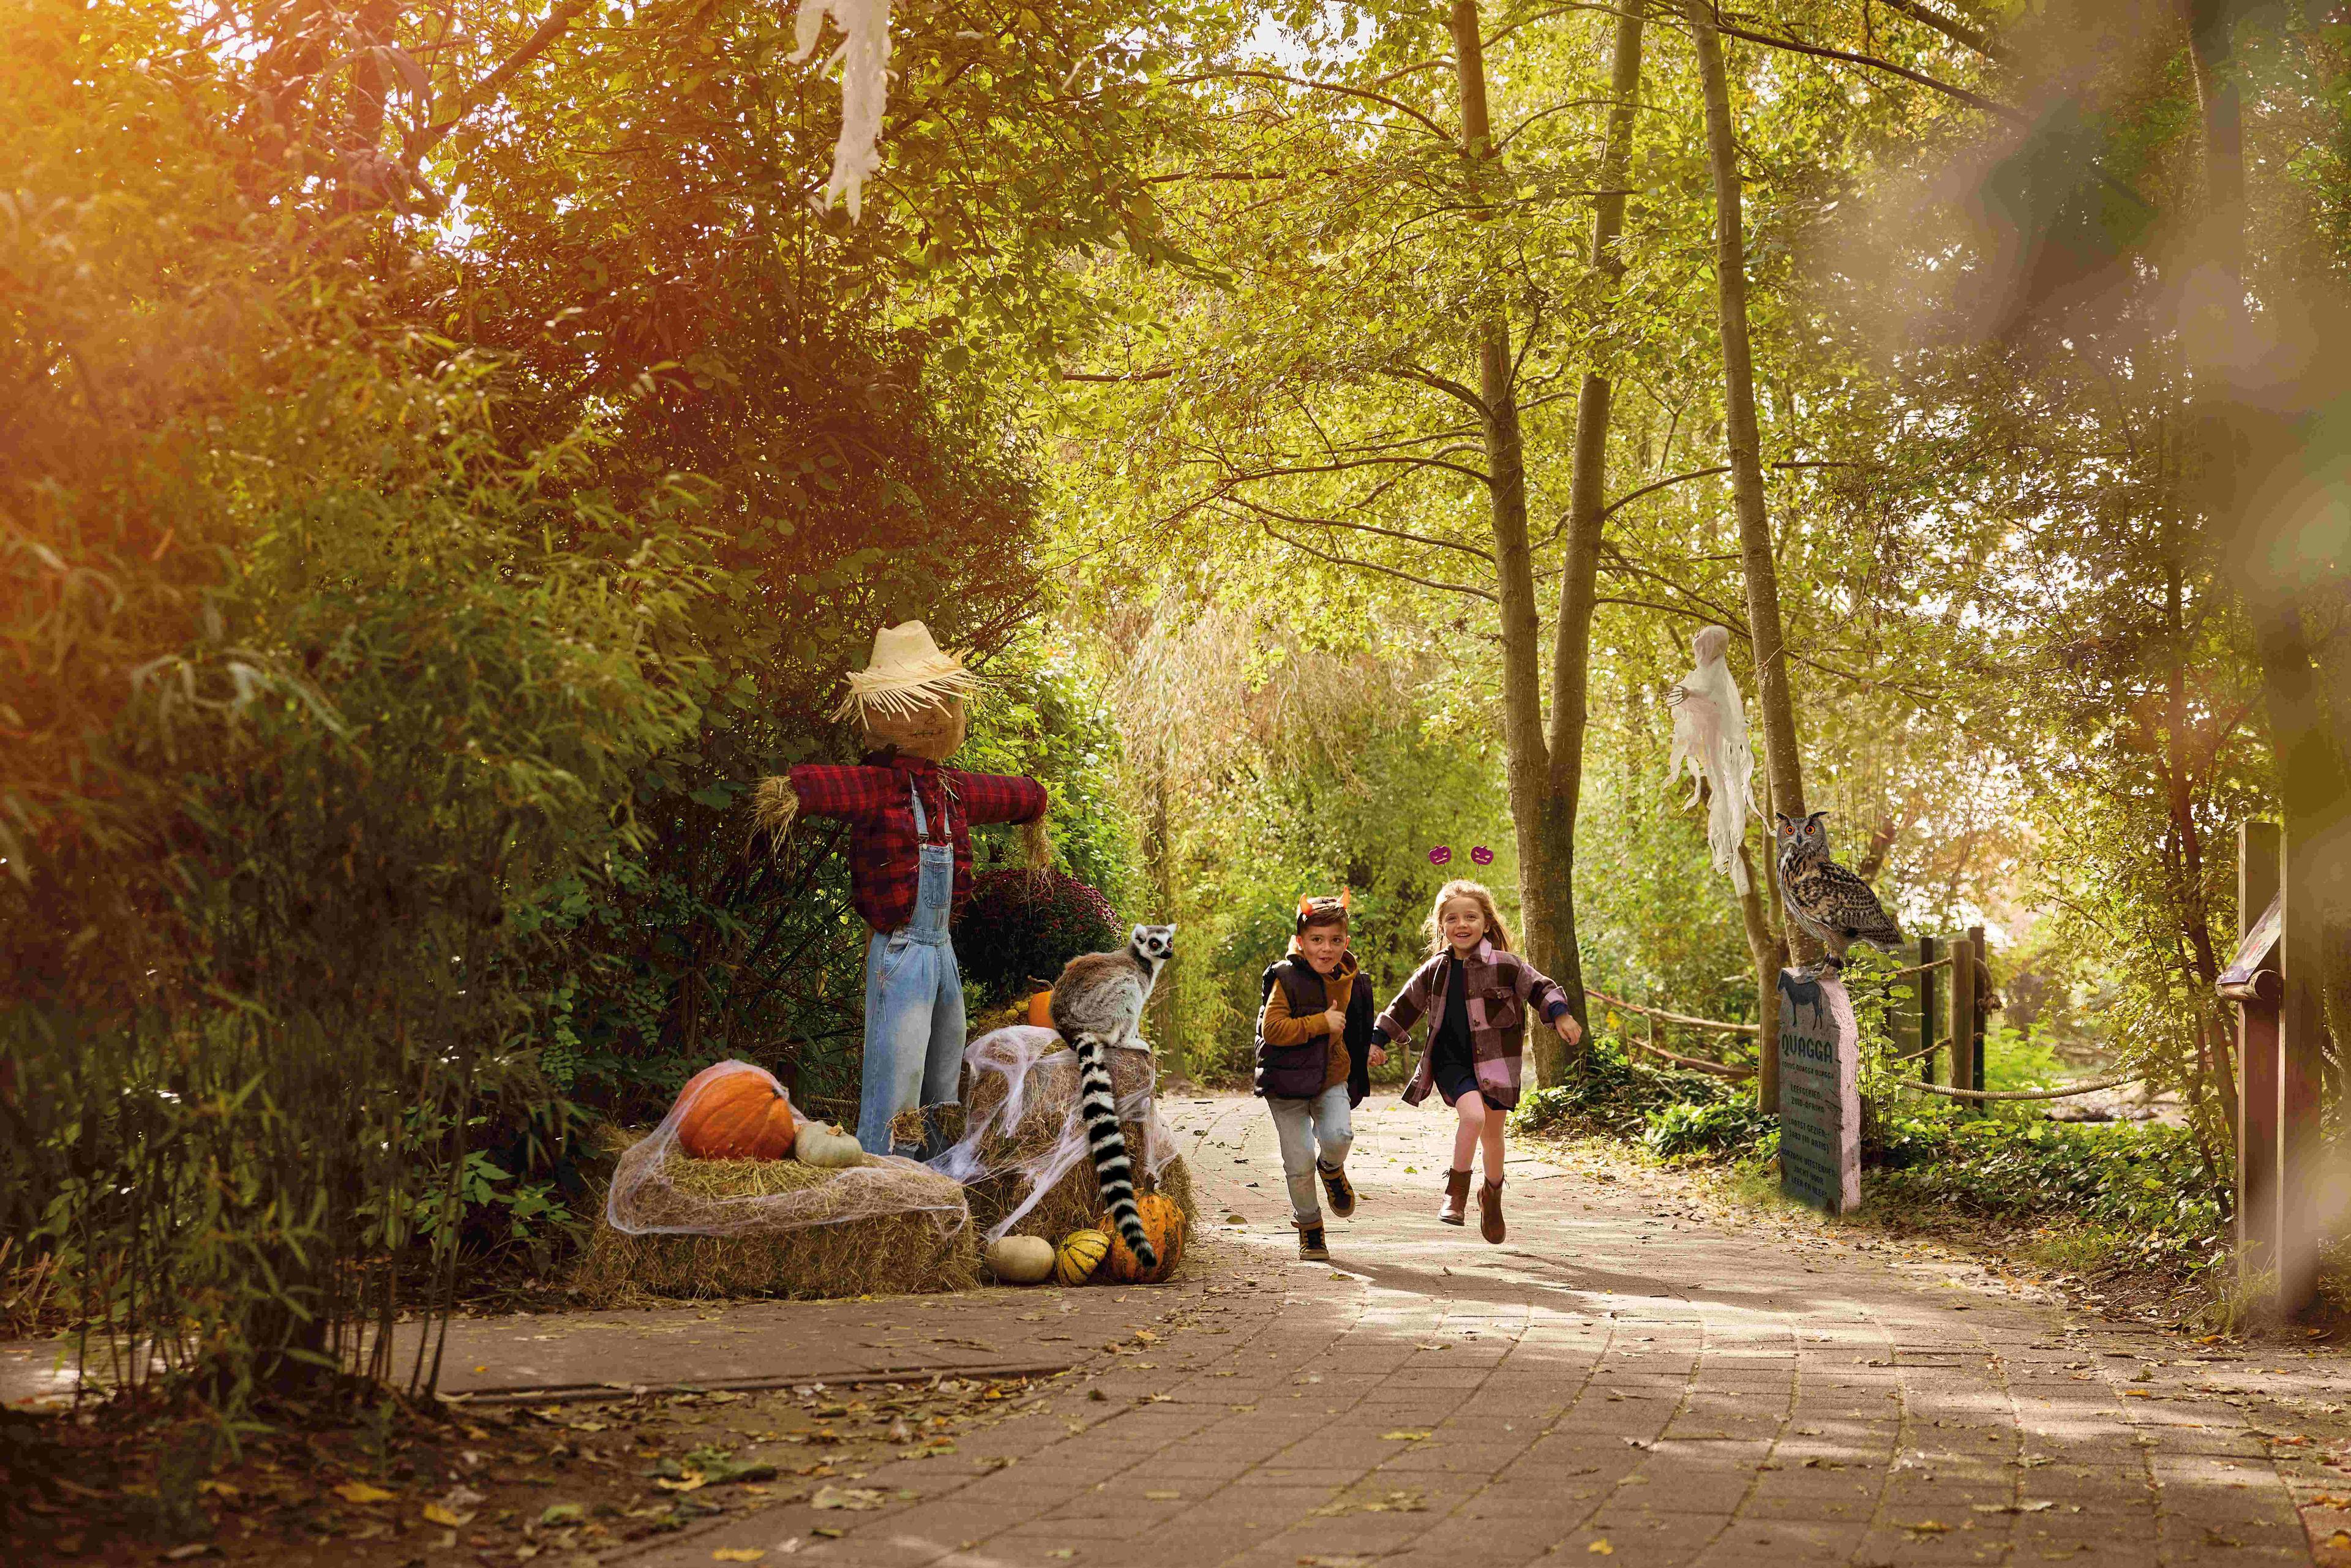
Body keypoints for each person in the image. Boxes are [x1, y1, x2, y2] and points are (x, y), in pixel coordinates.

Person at [757, 622, 1049, 1158]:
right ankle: (884, 1173)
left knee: (943, 1065)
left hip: (942, 951)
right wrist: (790, 792)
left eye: (944, 703)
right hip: (901, 949)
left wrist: (1034, 799)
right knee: (900, 1071)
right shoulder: (880, 785)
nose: (939, 715)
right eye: (926, 702)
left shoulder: (952, 790)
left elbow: (1002, 794)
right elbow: (828, 786)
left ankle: (937, 1173)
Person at [1371, 879, 1581, 1245]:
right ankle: (1457, 1191)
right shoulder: (1434, 970)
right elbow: (1404, 1005)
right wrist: (1377, 1039)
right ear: (1442, 926)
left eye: (1470, 917)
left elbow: (1540, 987)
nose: (1461, 924)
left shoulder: (1506, 966)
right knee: (1473, 1116)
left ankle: (1493, 1196)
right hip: (1452, 1062)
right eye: (1452, 918)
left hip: (1497, 1063)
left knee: (1493, 1136)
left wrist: (1561, 1015)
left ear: (1486, 923)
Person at [1254, 892, 1387, 1261]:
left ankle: (1331, 1170)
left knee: (1340, 1134)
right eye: (1316, 940)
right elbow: (1273, 1029)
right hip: (1286, 1083)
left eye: (1334, 940)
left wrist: (1369, 1049)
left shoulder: (1353, 979)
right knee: (1298, 1162)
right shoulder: (1286, 978)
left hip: (1330, 1075)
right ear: (1301, 942)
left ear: (1346, 942)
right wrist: (1320, 1024)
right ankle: (1310, 1227)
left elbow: (1356, 1025)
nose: (1325, 949)